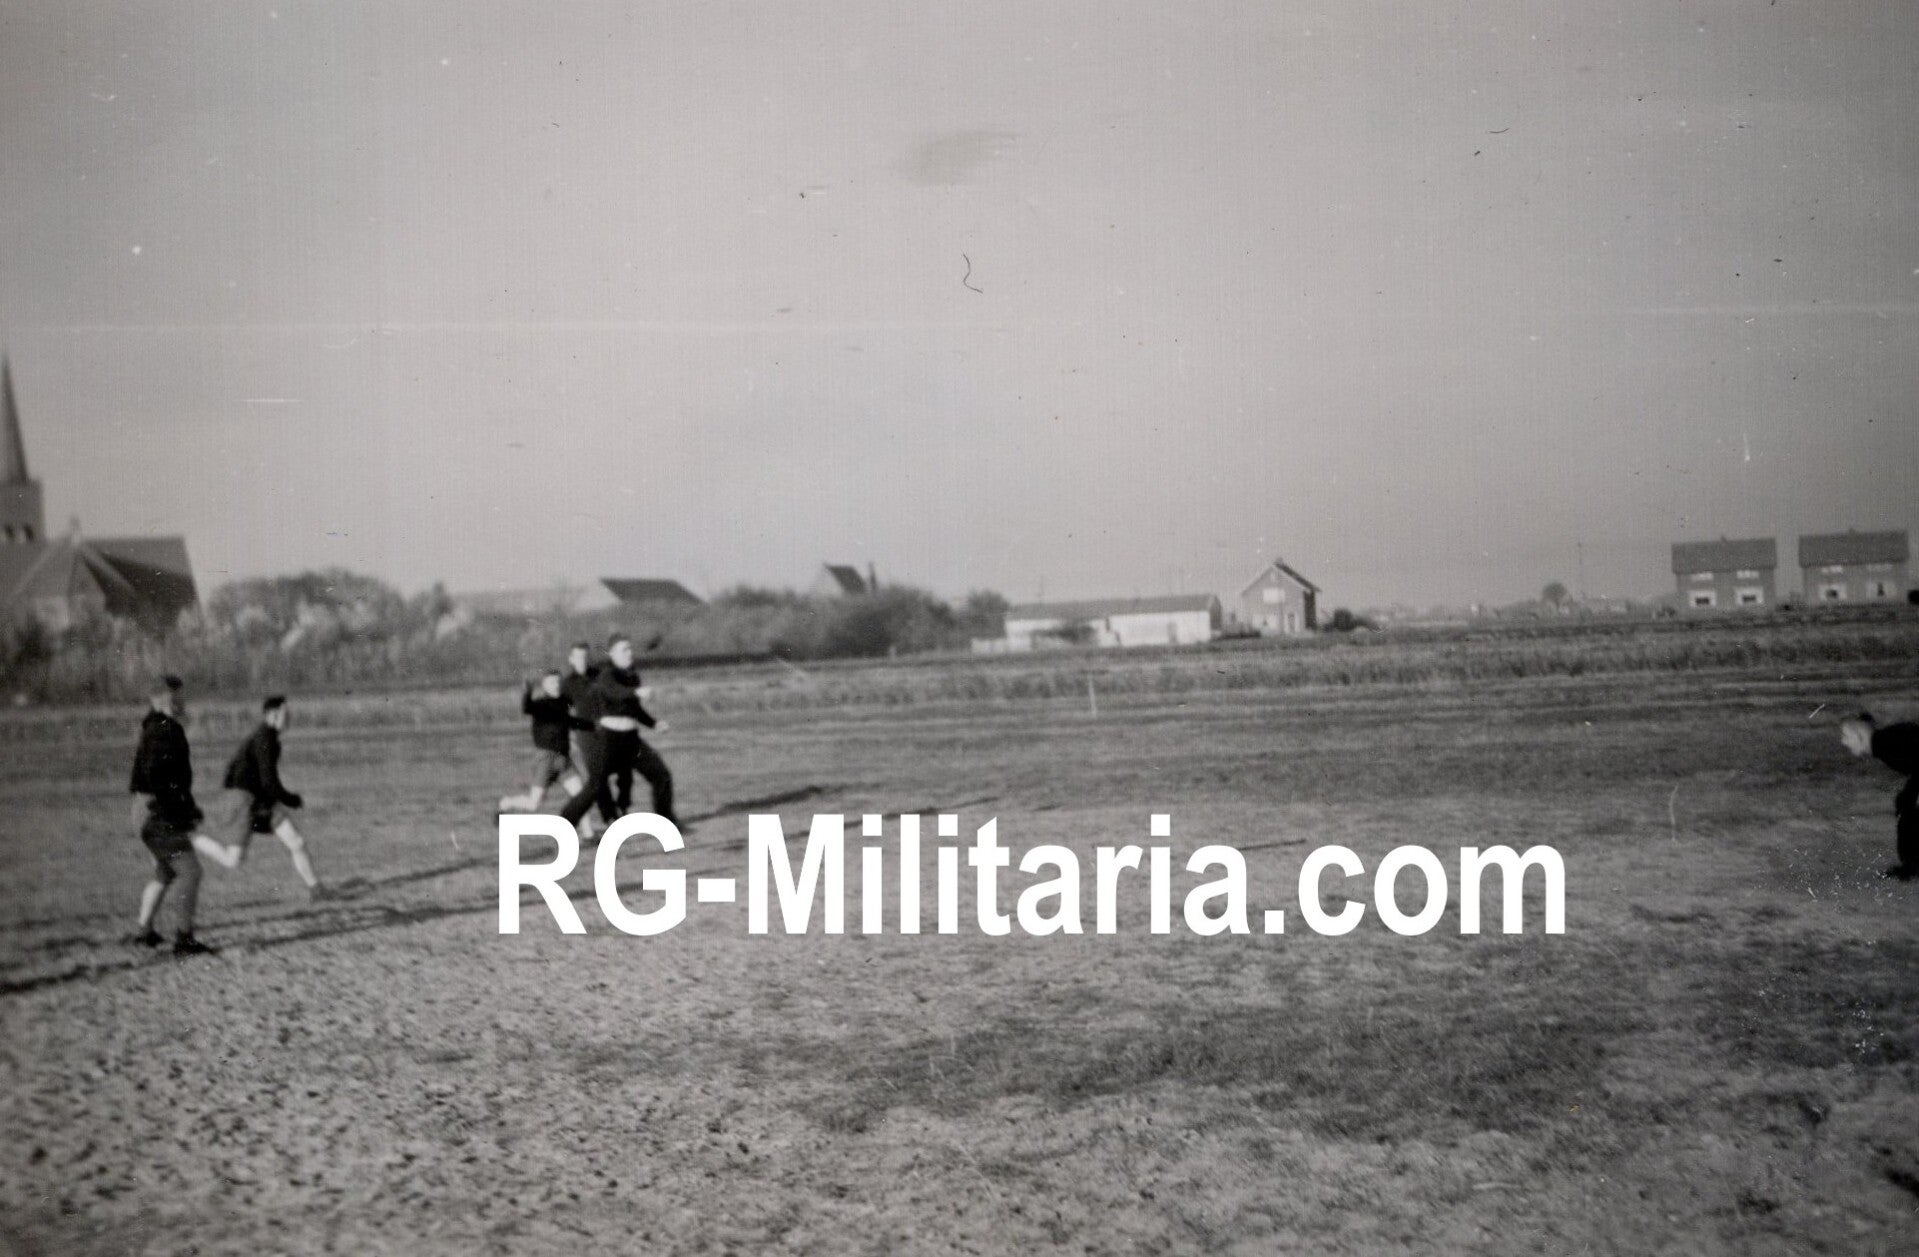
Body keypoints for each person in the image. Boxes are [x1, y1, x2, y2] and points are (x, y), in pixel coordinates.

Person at [127, 676, 240, 955]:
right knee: (190, 871)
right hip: (156, 812)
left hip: (148, 810)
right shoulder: (163, 730)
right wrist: (180, 810)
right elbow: (159, 777)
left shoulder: (157, 727)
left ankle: (144, 932)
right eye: (176, 697)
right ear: (161, 699)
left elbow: (168, 779)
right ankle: (184, 939)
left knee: (166, 871)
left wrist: (187, 808)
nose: (182, 702)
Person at [223, 695, 328, 898]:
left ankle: (316, 890)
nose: (288, 719)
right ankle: (196, 840)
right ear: (272, 715)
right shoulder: (264, 739)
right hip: (247, 802)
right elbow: (269, 781)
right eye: (285, 715)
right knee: (233, 859)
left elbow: (246, 773)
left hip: (259, 801)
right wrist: (291, 799)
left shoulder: (268, 738)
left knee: (296, 842)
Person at [575, 633, 682, 831]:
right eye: (624, 649)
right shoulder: (607, 674)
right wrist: (635, 692)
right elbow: (613, 692)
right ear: (613, 653)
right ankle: (565, 822)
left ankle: (667, 822)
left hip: (632, 740)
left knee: (661, 775)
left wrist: (654, 723)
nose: (629, 653)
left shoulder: (632, 675)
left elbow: (634, 709)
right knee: (595, 786)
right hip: (610, 739)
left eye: (630, 649)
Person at [1840, 712, 1918, 880]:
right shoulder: (1884, 743)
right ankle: (1911, 865)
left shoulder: (1886, 743)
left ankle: (1911, 866)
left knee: (1907, 808)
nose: (1843, 741)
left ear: (1860, 734)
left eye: (1846, 735)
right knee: (1906, 803)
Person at [500, 670, 585, 812]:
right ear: (544, 686)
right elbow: (527, 708)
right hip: (546, 759)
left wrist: (593, 725)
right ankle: (506, 803)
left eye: (558, 682)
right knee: (534, 804)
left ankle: (588, 834)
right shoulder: (541, 704)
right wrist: (527, 693)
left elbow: (570, 719)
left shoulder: (564, 702)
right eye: (552, 682)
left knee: (580, 797)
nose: (556, 685)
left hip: (564, 759)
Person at [559, 640, 618, 834]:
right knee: (597, 778)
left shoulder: (598, 676)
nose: (582, 661)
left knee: (601, 776)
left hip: (605, 731)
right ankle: (570, 818)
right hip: (585, 736)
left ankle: (609, 817)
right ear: (571, 659)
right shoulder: (567, 684)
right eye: (578, 657)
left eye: (585, 657)